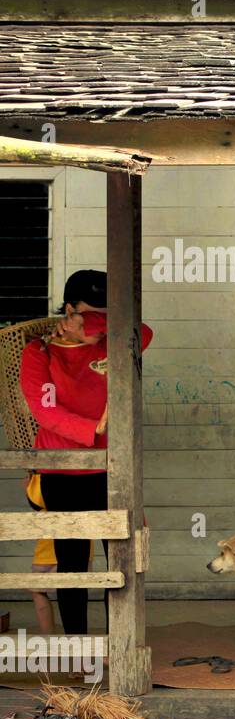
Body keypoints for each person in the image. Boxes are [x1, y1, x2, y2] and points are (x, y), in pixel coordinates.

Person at [19, 269, 153, 635]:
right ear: (68, 309)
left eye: (107, 316)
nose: (98, 324)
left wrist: (103, 322)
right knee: (73, 564)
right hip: (61, 471)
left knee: (120, 562)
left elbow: (145, 332)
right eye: (90, 314)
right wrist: (92, 429)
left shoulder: (112, 343)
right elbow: (45, 411)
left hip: (110, 471)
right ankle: (77, 645)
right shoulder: (40, 351)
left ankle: (119, 641)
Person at [24, 471, 62, 635]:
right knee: (37, 590)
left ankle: (75, 642)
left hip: (72, 541)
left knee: (71, 591)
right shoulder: (33, 478)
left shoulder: (38, 479)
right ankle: (50, 641)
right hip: (45, 544)